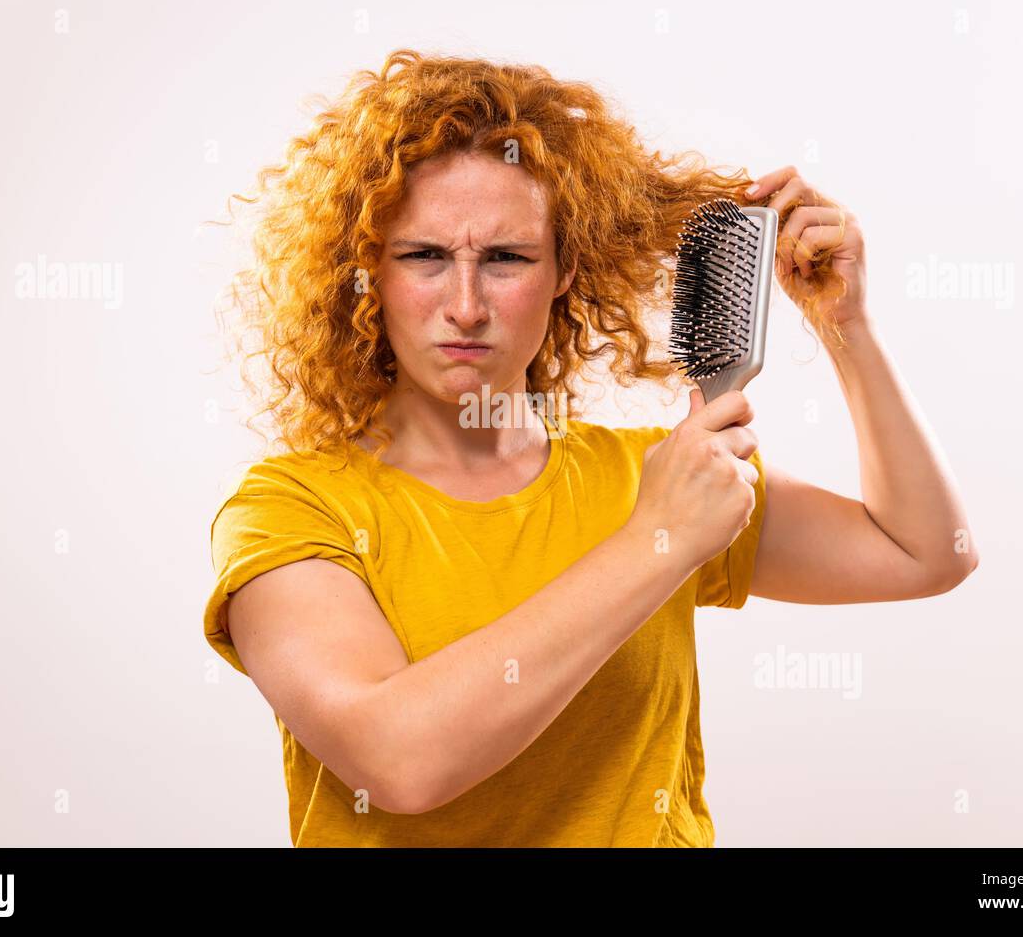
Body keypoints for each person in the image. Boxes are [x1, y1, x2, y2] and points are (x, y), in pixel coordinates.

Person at [202, 49, 980, 847]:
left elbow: (926, 551)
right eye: (424, 257)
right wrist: (661, 540)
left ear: (566, 269)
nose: (465, 306)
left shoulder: (653, 474)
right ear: (367, 272)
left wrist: (844, 326)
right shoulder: (288, 509)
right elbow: (399, 761)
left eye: (506, 258)